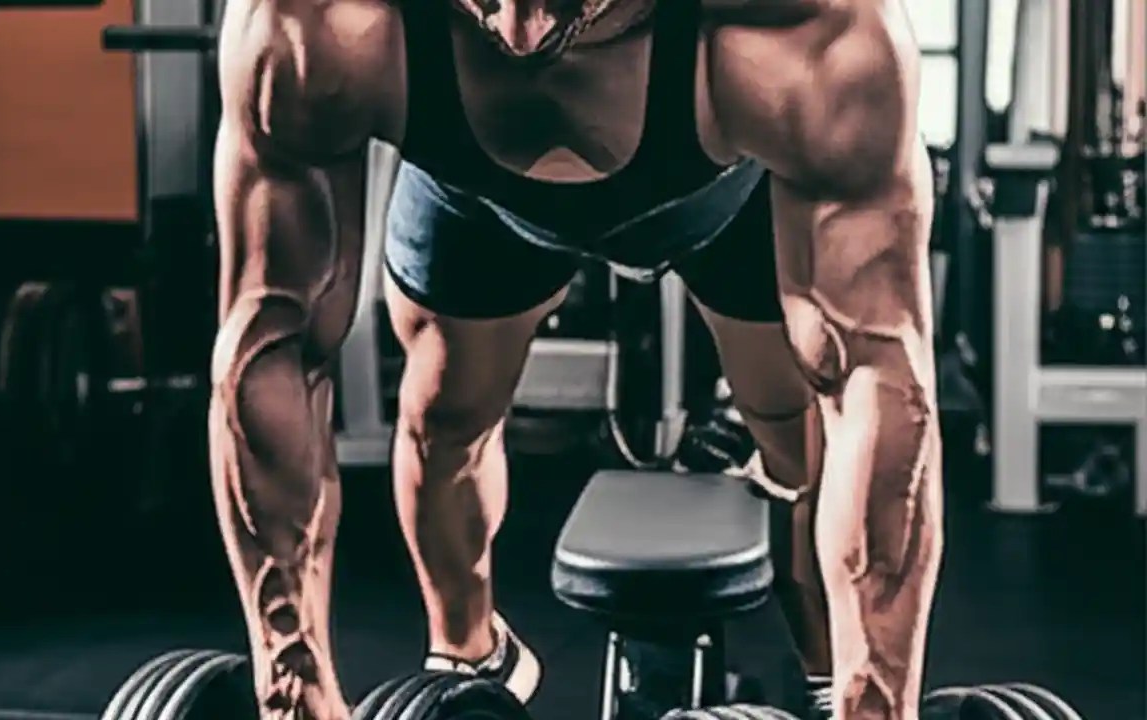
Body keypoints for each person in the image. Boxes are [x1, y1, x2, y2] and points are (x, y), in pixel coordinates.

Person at [207, 0, 944, 718]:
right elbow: (272, 348)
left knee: (796, 434)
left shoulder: (801, 25)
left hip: (724, 196)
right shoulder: (315, 23)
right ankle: (468, 661)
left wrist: (878, 706)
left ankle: (826, 670)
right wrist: (291, 689)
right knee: (444, 422)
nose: (520, 31)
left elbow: (875, 377)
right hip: (478, 200)